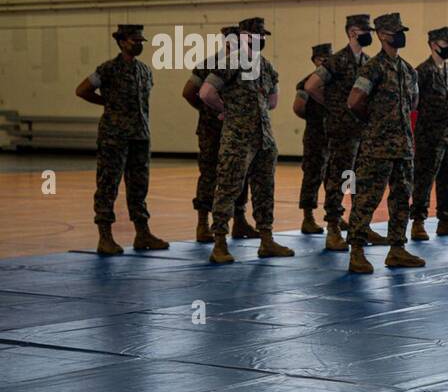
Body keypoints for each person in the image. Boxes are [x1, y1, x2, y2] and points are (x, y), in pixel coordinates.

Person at [199, 16, 295, 264]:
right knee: (229, 189)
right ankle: (219, 242)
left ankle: (266, 240)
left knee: (265, 190)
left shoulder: (267, 66)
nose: (260, 39)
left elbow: (273, 102)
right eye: (255, 35)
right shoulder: (229, 63)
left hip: (264, 139)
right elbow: (205, 92)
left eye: (262, 36)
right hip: (237, 139)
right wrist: (226, 109)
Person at [76, 23, 168, 256]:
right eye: (133, 40)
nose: (138, 44)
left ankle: (142, 233)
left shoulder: (145, 70)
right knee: (108, 185)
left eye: (140, 41)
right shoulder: (108, 69)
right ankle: (105, 237)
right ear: (121, 42)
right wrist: (106, 104)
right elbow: (82, 90)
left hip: (140, 135)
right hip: (114, 137)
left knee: (139, 187)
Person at [346, 13, 425, 273]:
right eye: (394, 32)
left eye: (401, 31)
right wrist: (374, 122)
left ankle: (397, 249)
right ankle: (356, 250)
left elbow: (413, 103)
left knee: (402, 198)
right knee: (367, 197)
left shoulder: (407, 69)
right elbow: (354, 101)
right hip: (377, 146)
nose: (399, 36)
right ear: (381, 35)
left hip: (402, 145)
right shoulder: (372, 68)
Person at [304, 14, 383, 250]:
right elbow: (311, 86)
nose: (368, 34)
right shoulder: (337, 61)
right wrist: (332, 106)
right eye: (363, 30)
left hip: (363, 132)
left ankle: (360, 226)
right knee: (340, 179)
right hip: (342, 132)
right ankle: (334, 228)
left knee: (358, 181)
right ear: (351, 32)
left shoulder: (368, 62)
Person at [183, 26, 252, 243]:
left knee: (241, 174)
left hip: (238, 130)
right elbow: (188, 93)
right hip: (212, 130)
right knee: (210, 173)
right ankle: (202, 224)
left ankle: (239, 221)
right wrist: (210, 111)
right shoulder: (207, 65)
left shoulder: (248, 65)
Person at [410, 27, 448, 241]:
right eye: (445, 43)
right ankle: (418, 222)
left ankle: (445, 219)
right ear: (433, 44)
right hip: (429, 136)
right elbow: (413, 102)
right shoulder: (422, 72)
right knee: (424, 178)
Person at [293, 43, 332, 234]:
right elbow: (298, 107)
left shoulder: (337, 82)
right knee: (312, 175)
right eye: (321, 58)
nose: (325, 61)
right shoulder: (306, 83)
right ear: (315, 61)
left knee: (337, 177)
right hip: (315, 136)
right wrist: (315, 119)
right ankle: (308, 218)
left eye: (328, 58)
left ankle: (336, 216)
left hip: (335, 136)